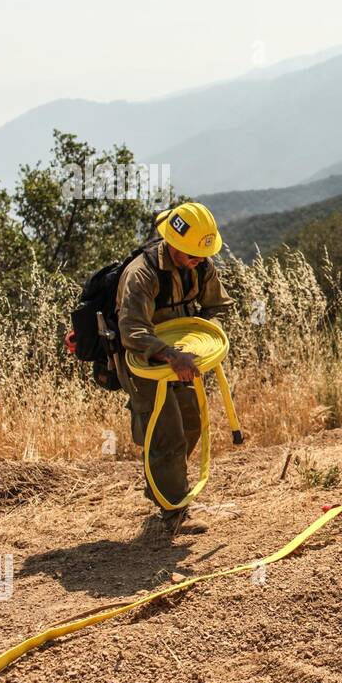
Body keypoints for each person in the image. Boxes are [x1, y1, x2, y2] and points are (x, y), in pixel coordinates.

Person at [114, 202, 232, 536]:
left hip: (184, 356)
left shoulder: (201, 266)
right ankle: (174, 510)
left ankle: (161, 484)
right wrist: (168, 354)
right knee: (166, 431)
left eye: (201, 254)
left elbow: (217, 306)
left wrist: (207, 336)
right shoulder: (141, 275)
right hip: (144, 361)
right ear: (173, 245)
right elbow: (132, 332)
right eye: (192, 254)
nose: (198, 259)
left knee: (192, 423)